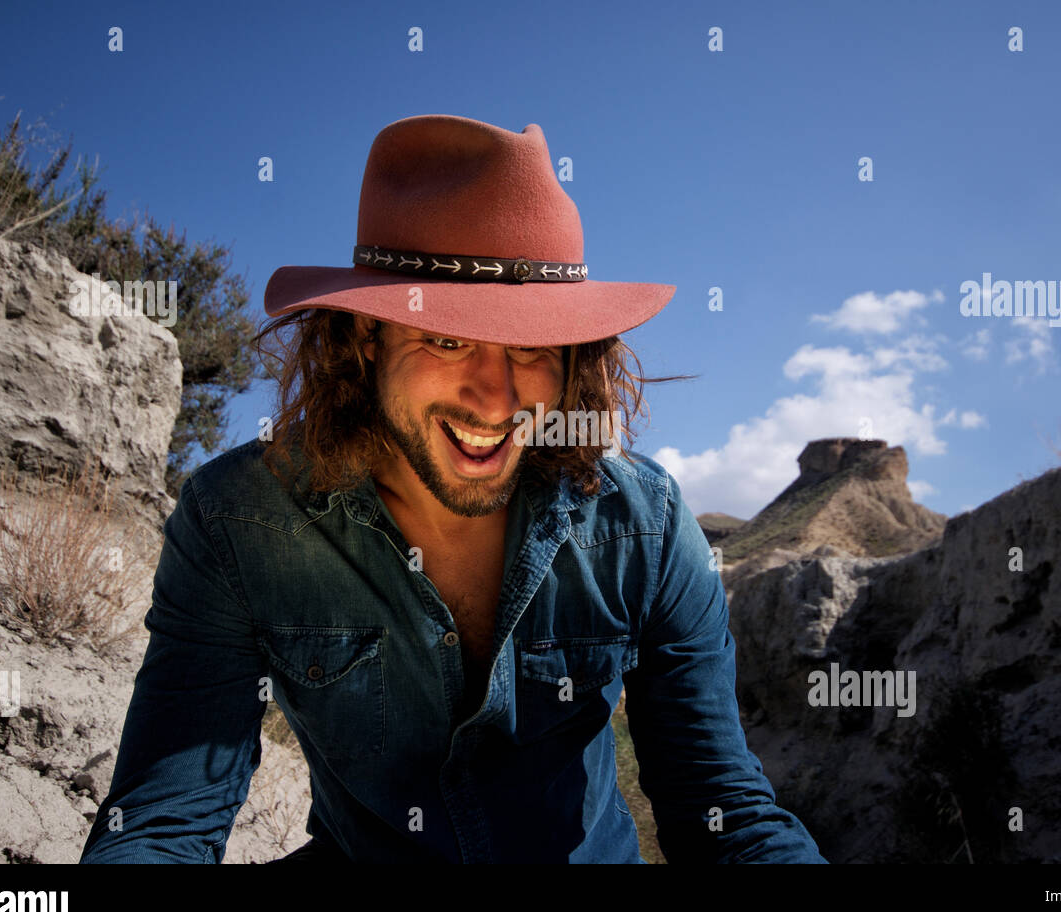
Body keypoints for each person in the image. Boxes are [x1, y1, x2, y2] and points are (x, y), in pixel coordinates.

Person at [79, 114, 825, 863]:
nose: (495, 399)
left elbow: (725, 814)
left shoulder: (647, 529)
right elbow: (162, 822)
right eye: (447, 339)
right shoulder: (238, 522)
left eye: (531, 348)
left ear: (576, 358)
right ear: (366, 339)